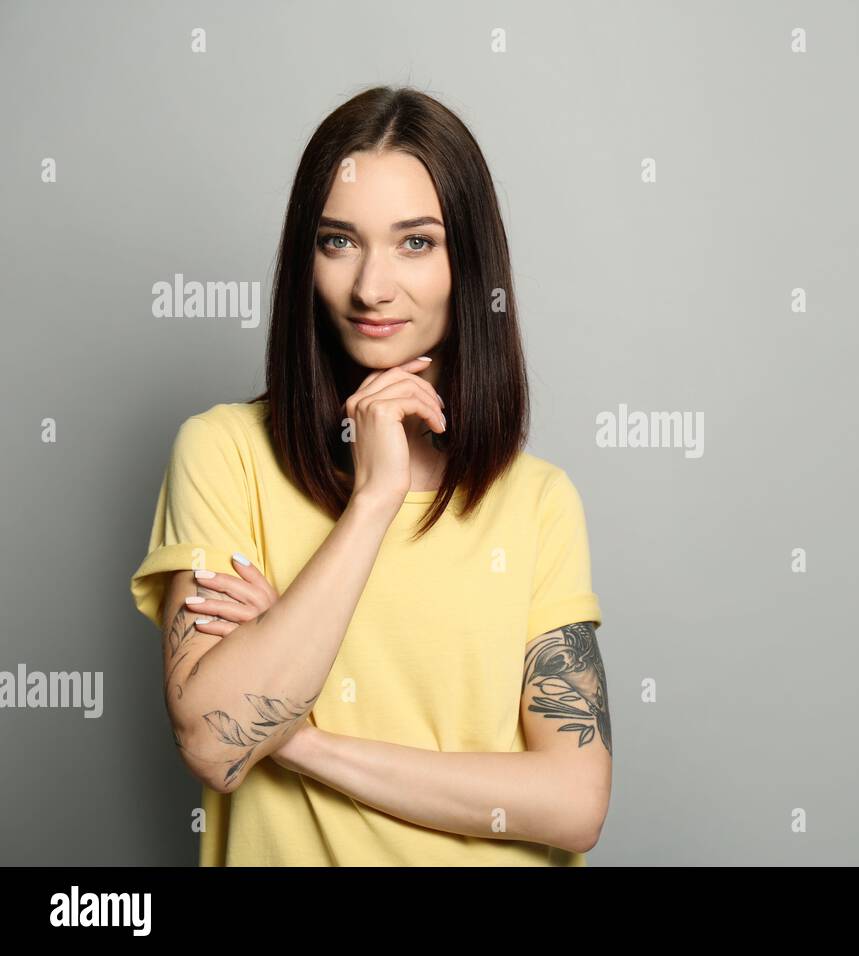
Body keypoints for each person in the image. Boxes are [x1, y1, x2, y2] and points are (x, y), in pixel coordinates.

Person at [128, 86, 611, 866]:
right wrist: (373, 500)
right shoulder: (224, 454)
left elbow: (575, 804)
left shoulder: (537, 504)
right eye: (338, 242)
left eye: (416, 242)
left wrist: (304, 743)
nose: (371, 287)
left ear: (469, 262)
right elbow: (218, 742)